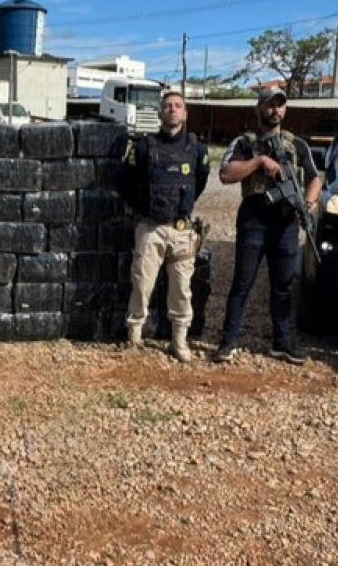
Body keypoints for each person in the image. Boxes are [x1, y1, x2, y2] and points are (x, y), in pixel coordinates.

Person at [215, 88, 323, 364]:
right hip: (253, 220)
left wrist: (308, 205)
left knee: (283, 285)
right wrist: (260, 161)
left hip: (285, 223)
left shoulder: (297, 145)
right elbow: (226, 174)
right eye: (270, 105)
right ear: (258, 109)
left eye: (280, 105)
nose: (275, 110)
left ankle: (282, 342)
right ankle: (228, 341)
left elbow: (315, 179)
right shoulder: (244, 143)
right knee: (242, 282)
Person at [117, 91, 210, 363]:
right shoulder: (144, 146)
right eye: (167, 106)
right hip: (150, 228)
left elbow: (200, 183)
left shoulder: (197, 149)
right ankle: (134, 336)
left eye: (178, 106)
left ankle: (179, 341)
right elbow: (125, 180)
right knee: (141, 284)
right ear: (160, 112)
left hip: (181, 231)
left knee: (182, 288)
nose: (172, 109)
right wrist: (144, 207)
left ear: (185, 113)